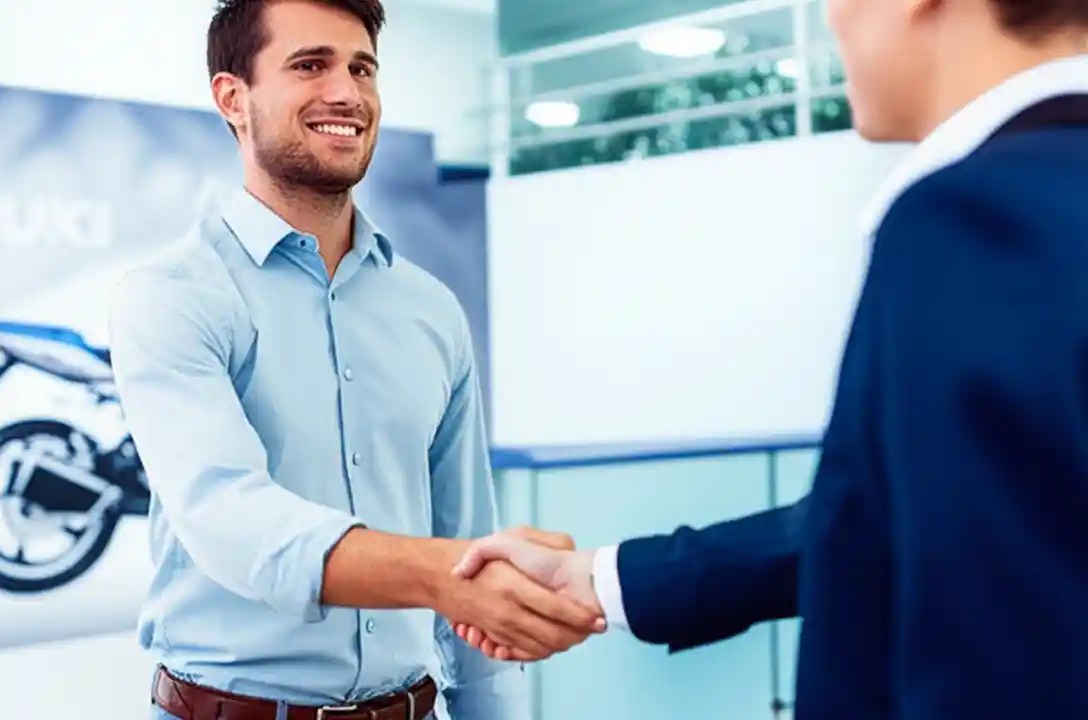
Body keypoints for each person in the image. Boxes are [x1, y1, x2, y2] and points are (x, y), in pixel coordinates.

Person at [452, 0, 1088, 716]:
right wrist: (604, 578)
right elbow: (899, 520)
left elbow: (989, 645)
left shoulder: (969, 220)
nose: (833, 20)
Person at [107, 1, 604, 719]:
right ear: (232, 98)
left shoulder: (430, 309)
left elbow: (464, 538)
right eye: (310, 64)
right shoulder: (172, 296)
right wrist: (442, 578)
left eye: (361, 68)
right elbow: (230, 520)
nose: (347, 92)